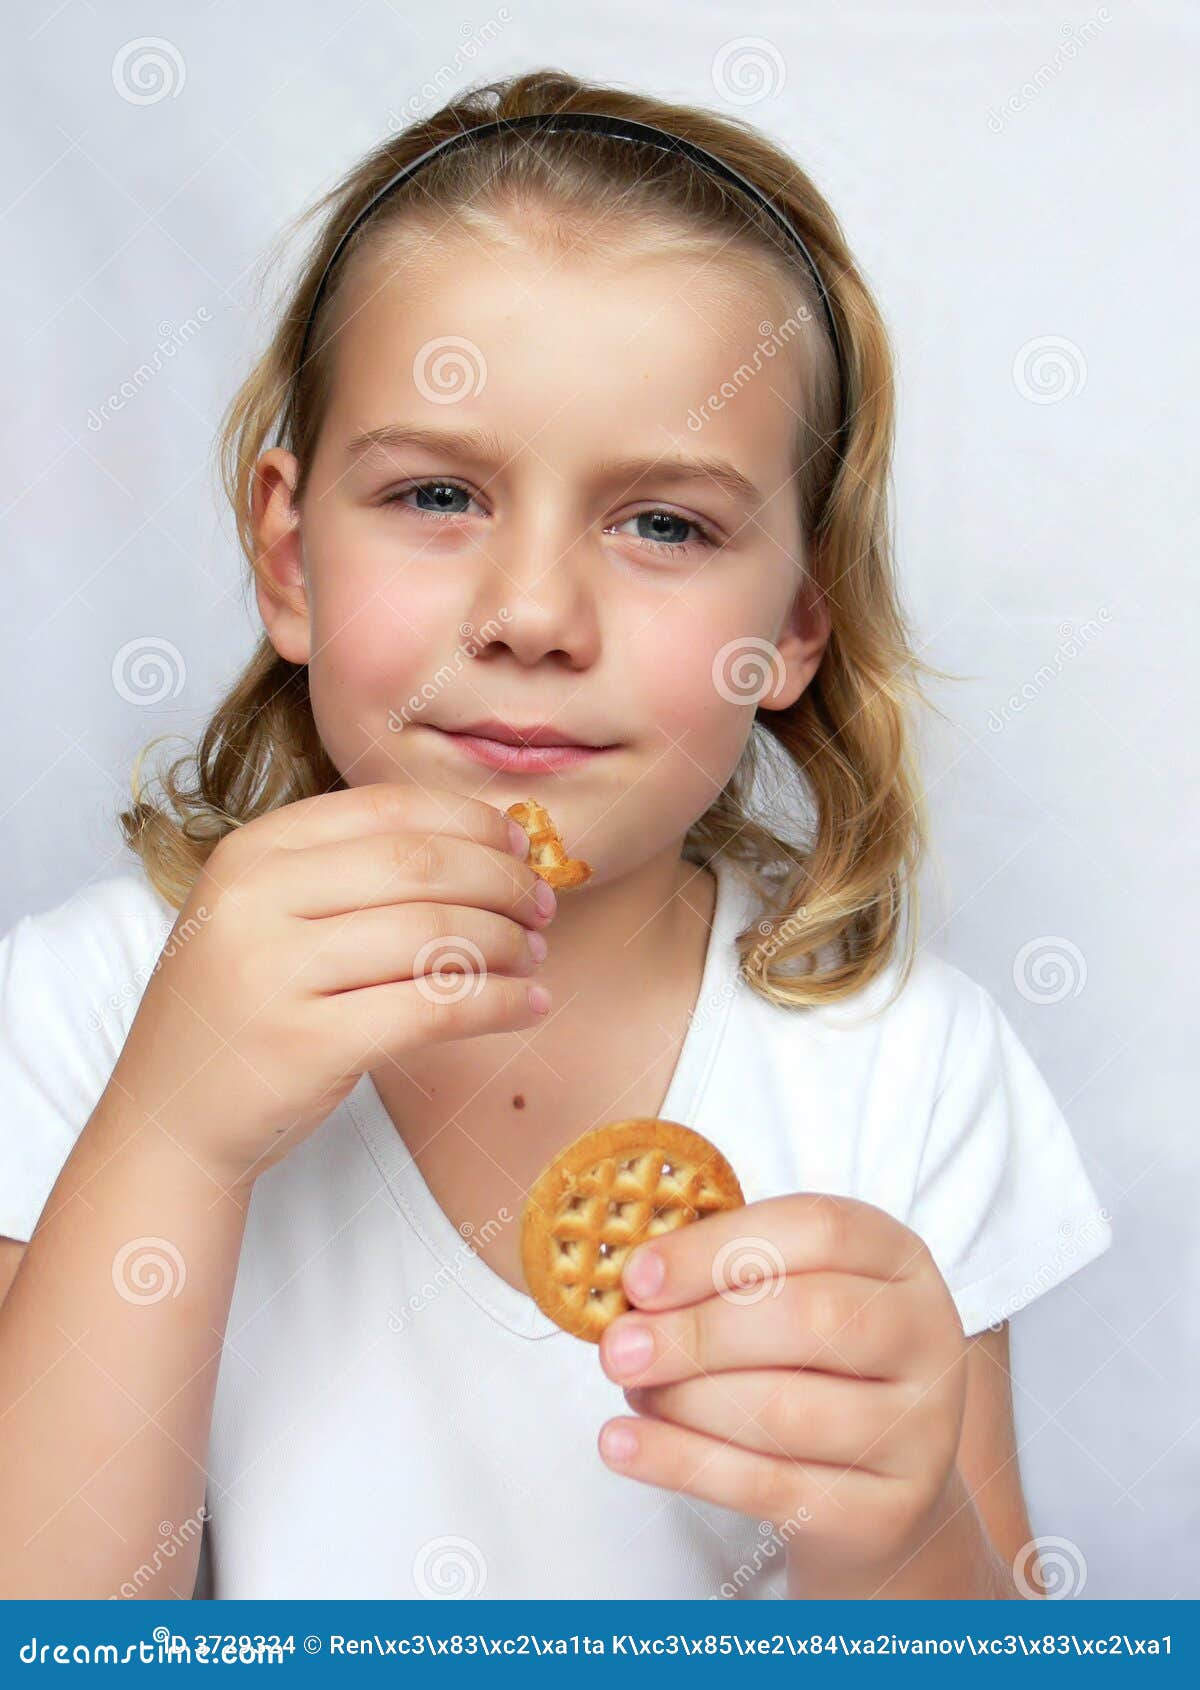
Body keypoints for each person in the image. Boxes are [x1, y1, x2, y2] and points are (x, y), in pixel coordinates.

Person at [0, 68, 1111, 1601]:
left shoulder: (907, 1070)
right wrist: (174, 1138)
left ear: (794, 625)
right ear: (291, 557)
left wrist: (901, 1527)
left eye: (665, 523)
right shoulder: (73, 1018)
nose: (531, 615)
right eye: (439, 491)